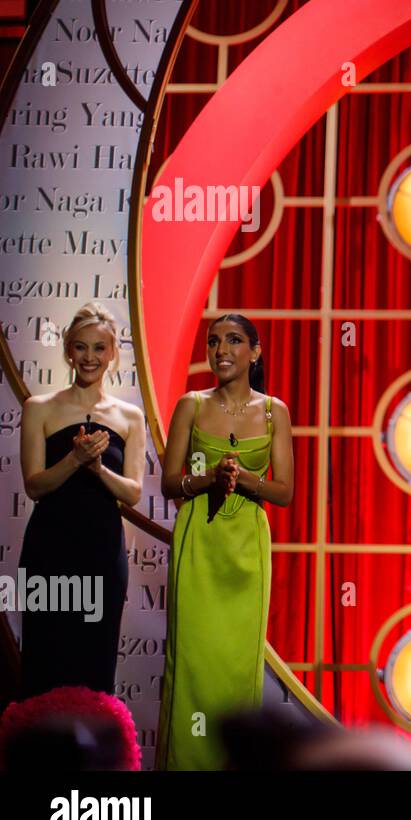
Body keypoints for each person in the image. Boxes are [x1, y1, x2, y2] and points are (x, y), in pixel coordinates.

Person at [156, 314, 294, 770]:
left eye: (234, 341)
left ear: (255, 351)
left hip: (247, 552)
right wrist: (209, 477)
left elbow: (286, 492)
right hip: (200, 542)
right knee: (192, 662)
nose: (221, 350)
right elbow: (170, 484)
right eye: (213, 341)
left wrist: (246, 480)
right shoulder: (191, 405)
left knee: (238, 667)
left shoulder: (275, 411)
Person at [18, 303, 145, 699]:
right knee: (44, 664)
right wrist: (74, 458)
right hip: (49, 551)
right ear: (68, 352)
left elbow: (133, 493)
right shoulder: (38, 408)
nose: (90, 357)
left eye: (99, 349)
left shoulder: (129, 416)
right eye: (81, 348)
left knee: (95, 666)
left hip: (102, 555)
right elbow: (35, 486)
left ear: (112, 355)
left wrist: (98, 470)